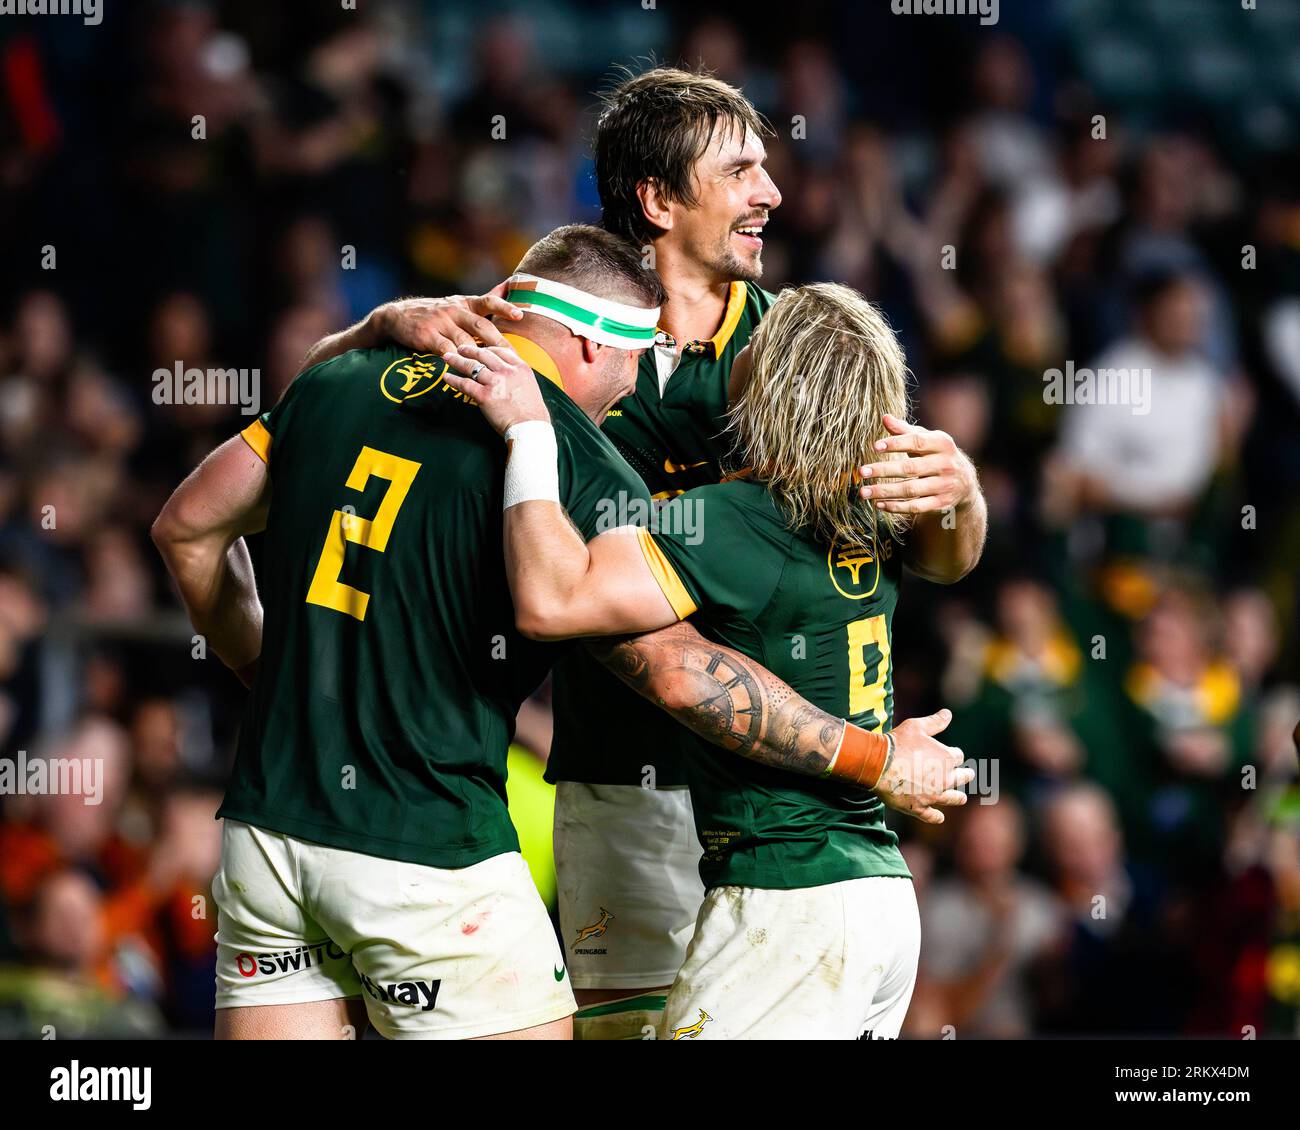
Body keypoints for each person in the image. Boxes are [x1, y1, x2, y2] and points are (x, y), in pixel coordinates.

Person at [297, 64, 986, 1039]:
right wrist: (372, 326)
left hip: (782, 803)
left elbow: (938, 555)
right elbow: (326, 403)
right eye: (740, 170)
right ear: (659, 200)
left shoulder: (797, 355)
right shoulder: (547, 324)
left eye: (767, 167)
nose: (771, 192)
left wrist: (958, 491)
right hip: (623, 776)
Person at [153, 225, 962, 1041]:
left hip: (266, 831)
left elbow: (186, 530)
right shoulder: (584, 468)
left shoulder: (340, 378)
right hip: (427, 843)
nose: (636, 384)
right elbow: (678, 671)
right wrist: (879, 757)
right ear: (585, 341)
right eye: (635, 355)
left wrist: (262, 665)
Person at [440, 281, 983, 1038]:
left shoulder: (734, 521)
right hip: (880, 899)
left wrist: (531, 434)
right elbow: (954, 555)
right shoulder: (876, 508)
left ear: (777, 381)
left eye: (758, 345)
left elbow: (551, 601)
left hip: (789, 904)